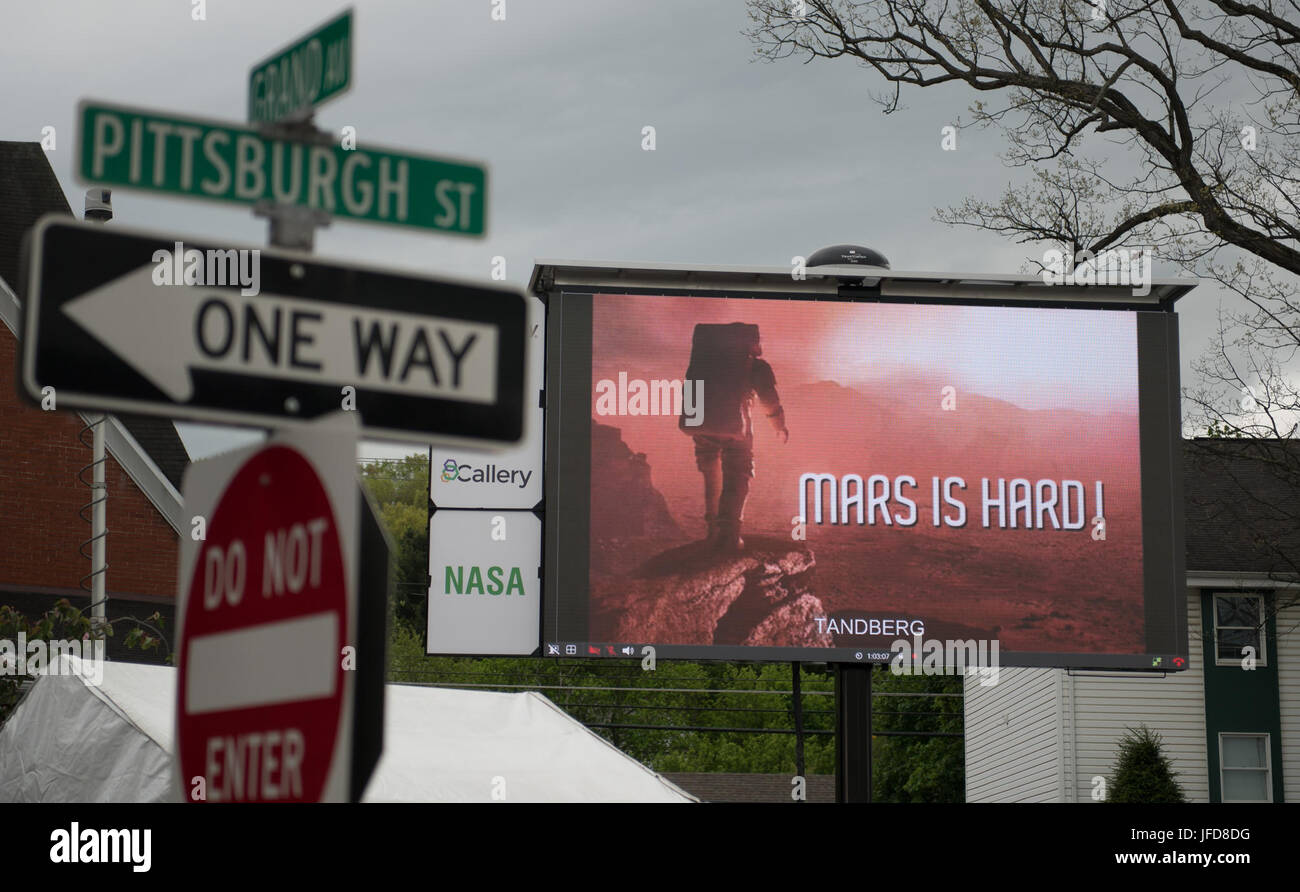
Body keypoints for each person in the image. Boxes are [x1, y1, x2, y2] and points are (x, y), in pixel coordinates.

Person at [681, 323, 789, 553]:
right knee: (738, 474)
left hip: (700, 426)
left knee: (711, 474)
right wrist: (779, 426)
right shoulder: (755, 367)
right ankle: (729, 536)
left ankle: (712, 532)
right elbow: (769, 400)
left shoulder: (703, 363)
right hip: (734, 427)